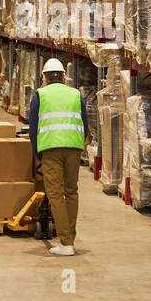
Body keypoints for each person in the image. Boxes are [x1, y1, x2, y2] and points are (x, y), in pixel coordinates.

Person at [27, 58, 91, 256]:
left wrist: (38, 153)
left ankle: (65, 242)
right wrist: (82, 145)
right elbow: (86, 125)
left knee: (55, 194)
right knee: (71, 191)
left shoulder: (40, 94)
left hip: (51, 148)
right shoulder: (76, 94)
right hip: (73, 146)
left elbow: (32, 128)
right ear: (64, 76)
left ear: (44, 77)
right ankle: (69, 237)